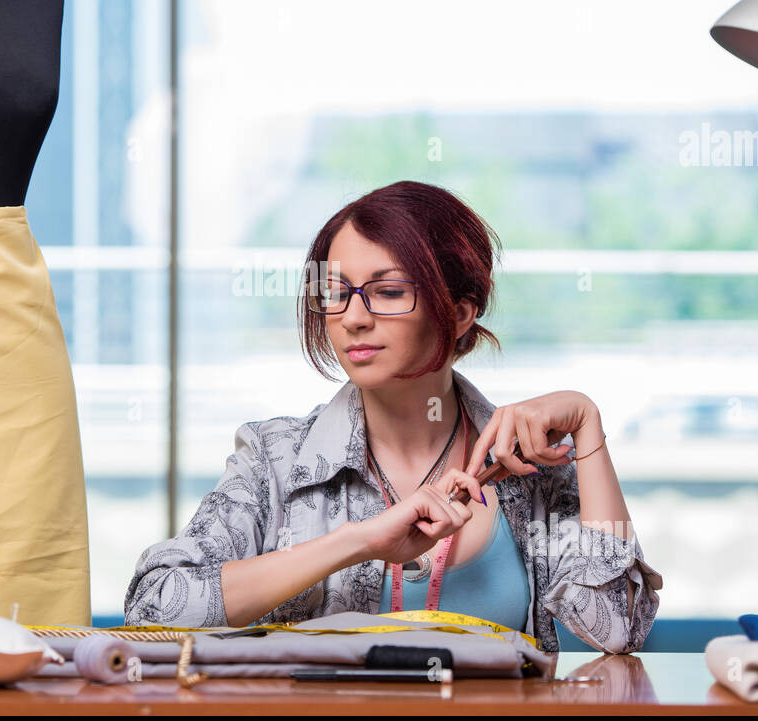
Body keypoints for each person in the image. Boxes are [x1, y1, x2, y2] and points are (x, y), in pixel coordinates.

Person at [124, 180, 663, 653]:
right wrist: (356, 542)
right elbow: (153, 608)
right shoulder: (276, 459)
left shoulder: (528, 461)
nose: (354, 317)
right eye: (336, 294)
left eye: (387, 292)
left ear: (458, 313)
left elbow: (617, 629)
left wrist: (588, 426)